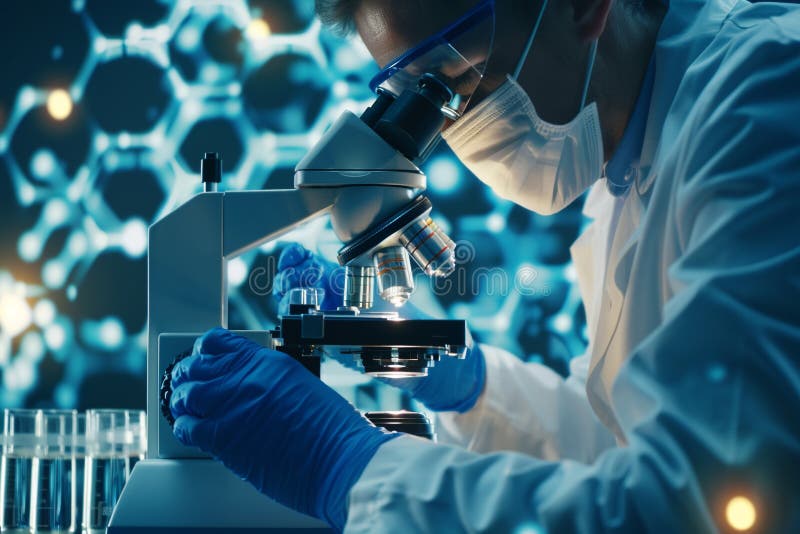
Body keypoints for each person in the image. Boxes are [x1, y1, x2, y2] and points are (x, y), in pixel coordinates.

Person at [168, 0, 800, 531]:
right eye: (415, 95)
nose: (448, 125)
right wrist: (469, 385)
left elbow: (687, 505)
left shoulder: (767, 101)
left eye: (451, 80)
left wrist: (348, 467)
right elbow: (617, 445)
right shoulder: (627, 171)